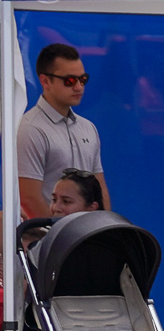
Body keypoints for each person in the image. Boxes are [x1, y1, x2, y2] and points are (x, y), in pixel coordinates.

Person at [19, 169, 107, 331]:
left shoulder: (107, 248)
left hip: (89, 326)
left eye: (66, 202)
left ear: (91, 208)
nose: (55, 208)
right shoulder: (37, 240)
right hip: (39, 327)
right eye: (54, 199)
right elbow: (34, 307)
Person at [19, 43, 112, 220]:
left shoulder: (88, 127)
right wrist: (60, 238)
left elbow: (100, 191)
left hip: (86, 240)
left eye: (83, 79)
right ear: (45, 81)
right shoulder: (30, 129)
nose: (78, 87)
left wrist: (104, 234)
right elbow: (28, 198)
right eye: (69, 81)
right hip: (48, 241)